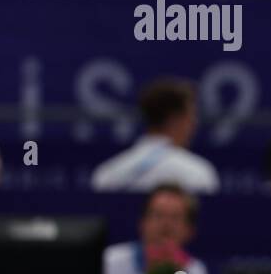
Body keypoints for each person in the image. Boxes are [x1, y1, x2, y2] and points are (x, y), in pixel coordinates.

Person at [90, 77, 219, 193]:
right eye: (191, 117)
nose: (194, 124)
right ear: (174, 119)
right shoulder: (198, 174)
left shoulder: (107, 174)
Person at [102, 183, 209, 274]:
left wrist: (178, 272)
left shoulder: (195, 271)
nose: (166, 224)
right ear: (142, 223)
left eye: (175, 218)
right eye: (158, 215)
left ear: (189, 230)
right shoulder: (110, 261)